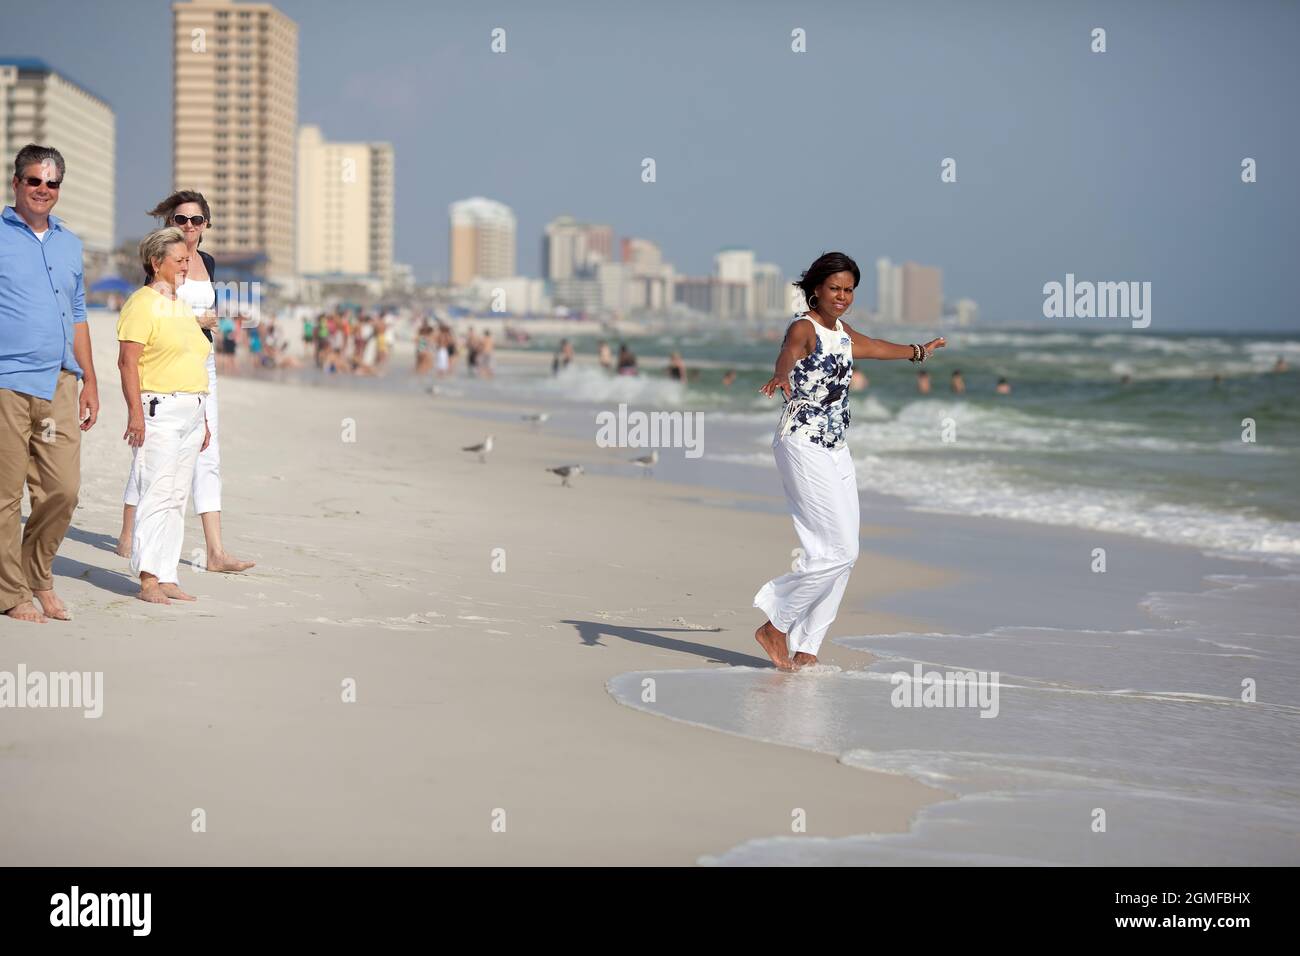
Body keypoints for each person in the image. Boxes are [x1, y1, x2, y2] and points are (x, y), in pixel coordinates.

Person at [754, 252, 945, 670]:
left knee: (845, 551)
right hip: (802, 443)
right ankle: (776, 626)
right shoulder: (804, 327)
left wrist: (918, 352)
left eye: (849, 290)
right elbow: (789, 352)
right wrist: (782, 373)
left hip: (836, 447)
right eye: (835, 288)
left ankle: (807, 647)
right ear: (816, 289)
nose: (842, 296)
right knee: (838, 550)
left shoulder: (839, 330)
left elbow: (873, 346)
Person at [116, 191, 253, 574]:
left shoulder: (208, 262)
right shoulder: (163, 259)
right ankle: (128, 532)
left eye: (196, 220)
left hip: (201, 362)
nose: (189, 226)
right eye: (181, 220)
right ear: (170, 224)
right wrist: (196, 321)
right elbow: (156, 312)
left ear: (206, 225)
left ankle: (216, 551)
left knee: (208, 453)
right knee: (152, 450)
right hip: (163, 365)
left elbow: (205, 311)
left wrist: (211, 323)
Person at [0, 145, 99, 623]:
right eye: (34, 181)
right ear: (16, 182)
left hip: (60, 382)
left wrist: (90, 381)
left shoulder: (69, 244)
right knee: (5, 494)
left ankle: (36, 573)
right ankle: (13, 591)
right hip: (7, 383)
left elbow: (78, 315)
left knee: (63, 489)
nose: (43, 190)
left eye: (52, 183)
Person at [116, 228, 213, 604]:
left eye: (188, 260)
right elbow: (127, 362)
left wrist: (202, 418)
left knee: (176, 497)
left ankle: (168, 573)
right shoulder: (141, 303)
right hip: (159, 409)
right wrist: (135, 416)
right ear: (156, 263)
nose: (187, 265)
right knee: (156, 493)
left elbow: (192, 360)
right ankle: (148, 578)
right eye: (179, 261)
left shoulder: (181, 305)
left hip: (192, 409)